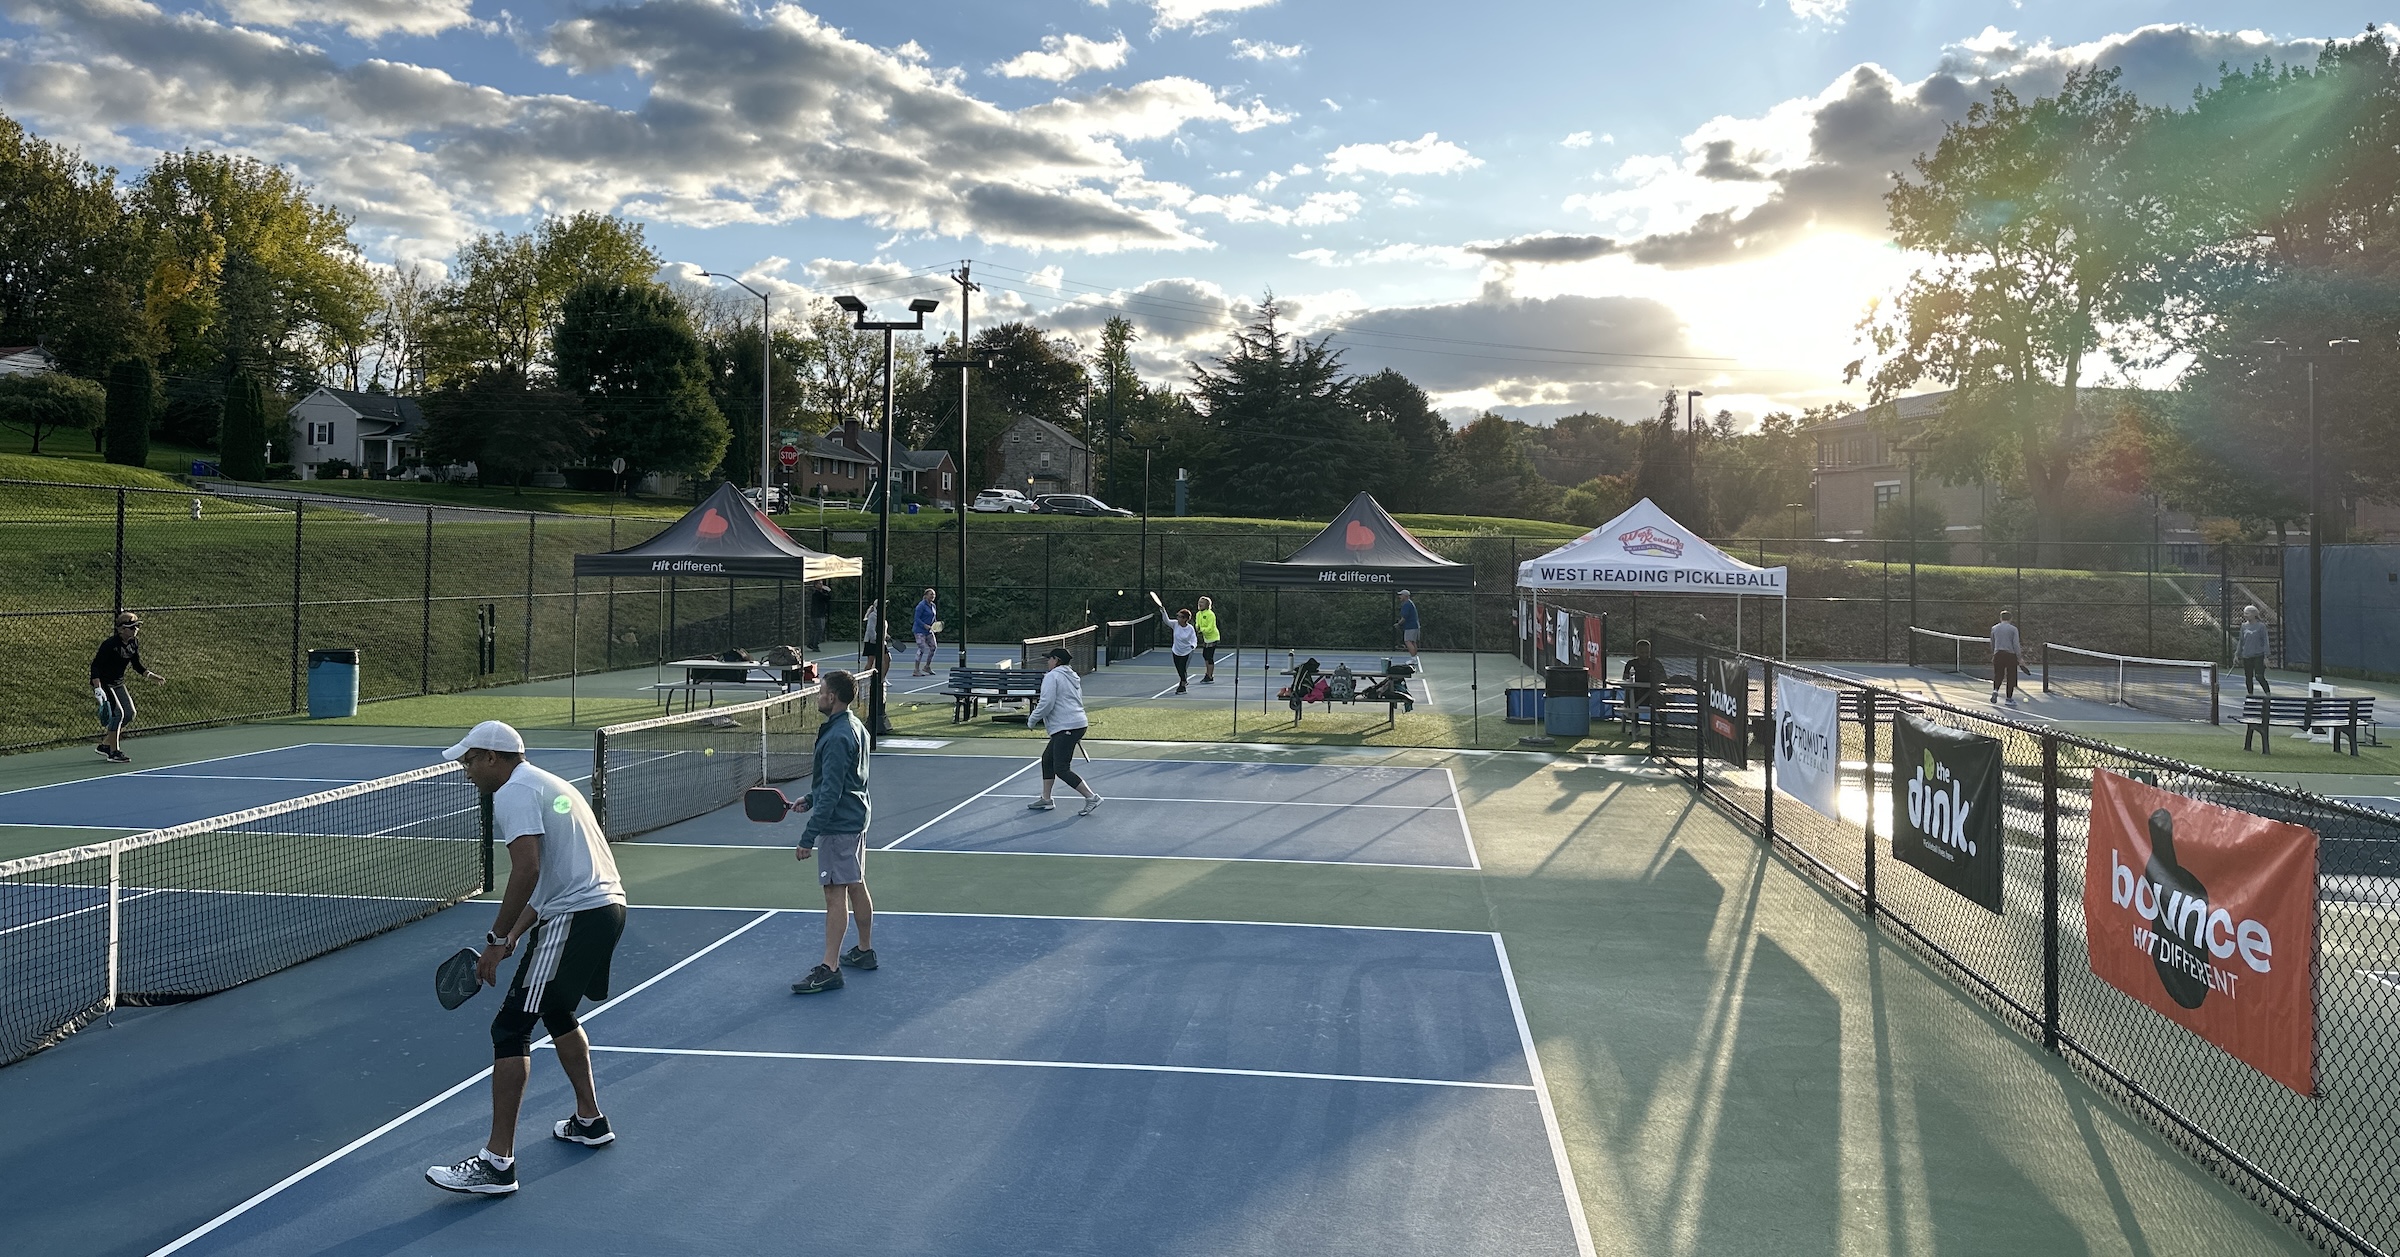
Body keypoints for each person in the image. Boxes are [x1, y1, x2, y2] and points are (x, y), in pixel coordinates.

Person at [426, 720, 627, 1197]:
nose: (466, 771)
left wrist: (496, 937)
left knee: (510, 1029)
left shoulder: (515, 792)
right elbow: (548, 880)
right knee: (557, 1010)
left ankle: (497, 1165)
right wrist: (514, 935)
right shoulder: (548, 784)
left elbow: (527, 868)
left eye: (470, 760)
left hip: (576, 916)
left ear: (493, 757)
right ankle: (589, 1120)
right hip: (606, 910)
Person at [792, 670, 876, 995]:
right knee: (855, 884)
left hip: (839, 825)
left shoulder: (839, 736)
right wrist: (810, 798)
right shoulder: (856, 726)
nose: (818, 696)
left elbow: (832, 793)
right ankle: (864, 951)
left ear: (833, 697)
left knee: (834, 894)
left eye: (821, 691)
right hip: (855, 819)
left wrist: (807, 837)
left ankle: (830, 968)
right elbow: (842, 781)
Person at [1027, 646, 1102, 815]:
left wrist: (1032, 719)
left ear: (1056, 660)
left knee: (1061, 768)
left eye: (1050, 659)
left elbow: (1046, 702)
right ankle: (1046, 799)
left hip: (1067, 726)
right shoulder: (1072, 676)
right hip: (1075, 724)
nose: (1048, 662)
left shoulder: (1051, 677)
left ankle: (1091, 798)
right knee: (1047, 759)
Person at [89, 612, 163, 763]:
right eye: (132, 627)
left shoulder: (133, 643)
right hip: (103, 683)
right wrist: (98, 688)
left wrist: (150, 675)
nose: (135, 629)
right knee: (118, 713)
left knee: (129, 713)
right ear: (121, 629)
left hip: (118, 682)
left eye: (137, 627)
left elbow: (136, 664)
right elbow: (95, 666)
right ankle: (114, 752)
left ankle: (104, 745)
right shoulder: (109, 645)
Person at [1620, 639, 1666, 744]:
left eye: (1646, 652)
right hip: (1637, 693)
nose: (1644, 655)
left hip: (1653, 693)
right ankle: (1636, 727)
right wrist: (1630, 679)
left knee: (1661, 700)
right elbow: (1625, 678)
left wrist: (1657, 683)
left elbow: (1663, 679)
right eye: (1642, 652)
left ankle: (1664, 728)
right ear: (1637, 652)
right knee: (1631, 699)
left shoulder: (1656, 663)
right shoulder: (1631, 663)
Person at [1160, 604, 1199, 693]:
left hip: (1187, 651)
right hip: (1176, 651)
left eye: (1180, 616)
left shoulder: (1190, 628)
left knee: (1182, 668)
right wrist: (1163, 611)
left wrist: (1193, 646)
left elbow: (1194, 639)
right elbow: (1167, 621)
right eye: (1177, 616)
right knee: (1178, 668)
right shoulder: (1175, 624)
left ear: (1185, 619)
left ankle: (1182, 685)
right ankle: (1184, 681)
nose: (1178, 618)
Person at [1990, 610, 2022, 705]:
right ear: (2011, 619)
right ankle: (2008, 699)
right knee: (2011, 676)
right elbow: (2016, 644)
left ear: (2000, 618)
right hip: (2010, 655)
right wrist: (2019, 657)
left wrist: (1994, 653)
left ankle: (1995, 690)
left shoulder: (1994, 628)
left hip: (1998, 654)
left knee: (1998, 674)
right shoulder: (2013, 629)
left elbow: (1992, 642)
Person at [2239, 606, 2272, 695]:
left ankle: (2268, 694)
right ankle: (2250, 695)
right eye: (2244, 613)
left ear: (2254, 614)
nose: (2245, 615)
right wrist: (2237, 654)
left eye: (2247, 613)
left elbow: (2265, 641)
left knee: (2259, 676)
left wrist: (2266, 656)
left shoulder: (2261, 626)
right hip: (2247, 655)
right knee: (2248, 677)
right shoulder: (2243, 626)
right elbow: (2241, 641)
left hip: (2258, 655)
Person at [910, 588, 939, 677]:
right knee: (922, 648)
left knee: (933, 647)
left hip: (929, 631)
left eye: (933, 594)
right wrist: (924, 625)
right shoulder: (921, 606)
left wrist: (935, 625)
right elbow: (916, 619)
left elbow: (933, 618)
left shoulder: (933, 606)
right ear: (926, 595)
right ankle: (916, 670)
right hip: (919, 631)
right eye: (931, 594)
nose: (933, 596)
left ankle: (927, 666)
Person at [1194, 596, 1221, 683]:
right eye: (1199, 602)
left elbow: (1210, 628)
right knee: (1205, 655)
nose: (1200, 604)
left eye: (1202, 602)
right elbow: (1197, 624)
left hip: (1213, 637)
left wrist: (1202, 630)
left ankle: (1210, 676)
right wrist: (1197, 628)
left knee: (1209, 656)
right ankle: (1207, 674)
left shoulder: (1210, 614)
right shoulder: (1198, 614)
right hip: (1206, 638)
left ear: (1207, 605)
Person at [805, 582, 831, 652]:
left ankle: (811, 643)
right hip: (816, 615)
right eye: (819, 584)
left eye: (821, 583)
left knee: (819, 629)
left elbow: (827, 599)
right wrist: (827, 591)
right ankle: (815, 645)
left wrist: (827, 591)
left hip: (821, 614)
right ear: (816, 585)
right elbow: (825, 597)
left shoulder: (821, 593)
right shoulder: (816, 594)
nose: (821, 585)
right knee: (819, 629)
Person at [1396, 590, 1421, 658]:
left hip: (1410, 626)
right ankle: (1415, 658)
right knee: (1412, 642)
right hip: (1414, 626)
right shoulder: (1410, 603)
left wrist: (1398, 624)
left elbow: (1404, 617)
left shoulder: (1406, 604)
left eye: (1401, 595)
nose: (1399, 596)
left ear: (1405, 596)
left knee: (1408, 641)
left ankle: (1413, 658)